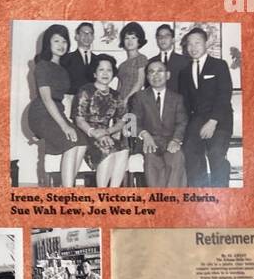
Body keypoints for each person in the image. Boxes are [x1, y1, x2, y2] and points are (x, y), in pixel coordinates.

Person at [177, 27, 233, 188]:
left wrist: (213, 122)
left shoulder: (219, 65)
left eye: (197, 43)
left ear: (206, 43)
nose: (193, 47)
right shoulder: (184, 72)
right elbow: (185, 104)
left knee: (216, 154)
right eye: (189, 44)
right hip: (196, 120)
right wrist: (186, 128)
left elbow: (224, 95)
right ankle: (198, 194)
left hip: (220, 120)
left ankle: (221, 194)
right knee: (189, 151)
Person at [28, 23, 81, 188]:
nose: (61, 45)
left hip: (56, 111)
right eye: (56, 41)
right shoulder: (42, 65)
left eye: (64, 41)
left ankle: (67, 185)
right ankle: (68, 191)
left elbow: (64, 98)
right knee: (71, 143)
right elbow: (47, 98)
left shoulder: (63, 69)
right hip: (41, 112)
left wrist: (70, 122)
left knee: (83, 141)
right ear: (48, 44)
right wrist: (65, 127)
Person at [128, 58, 188, 187]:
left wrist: (176, 140)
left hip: (170, 141)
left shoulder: (177, 98)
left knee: (177, 158)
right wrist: (144, 135)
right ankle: (157, 200)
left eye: (160, 71)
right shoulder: (139, 97)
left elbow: (182, 122)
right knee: (151, 161)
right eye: (151, 72)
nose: (155, 75)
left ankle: (173, 200)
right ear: (147, 76)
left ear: (167, 75)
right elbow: (132, 122)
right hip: (148, 141)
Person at [72, 54, 130, 188]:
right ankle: (102, 192)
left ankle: (113, 192)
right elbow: (79, 119)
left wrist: (107, 131)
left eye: (109, 70)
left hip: (105, 132)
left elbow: (122, 120)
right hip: (86, 134)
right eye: (101, 70)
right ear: (94, 73)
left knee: (124, 149)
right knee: (107, 148)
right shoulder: (85, 91)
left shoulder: (116, 95)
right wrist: (94, 132)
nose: (105, 73)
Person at [114, 21, 149, 109]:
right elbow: (120, 85)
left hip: (134, 101)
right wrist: (116, 101)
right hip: (121, 103)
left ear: (139, 40)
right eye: (127, 38)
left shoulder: (141, 58)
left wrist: (127, 99)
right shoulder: (122, 65)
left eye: (133, 38)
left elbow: (140, 82)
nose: (130, 41)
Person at [60, 22, 97, 95]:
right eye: (84, 33)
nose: (87, 36)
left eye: (90, 33)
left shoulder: (98, 59)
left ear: (93, 37)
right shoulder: (66, 58)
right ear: (77, 36)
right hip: (72, 100)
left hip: (93, 101)